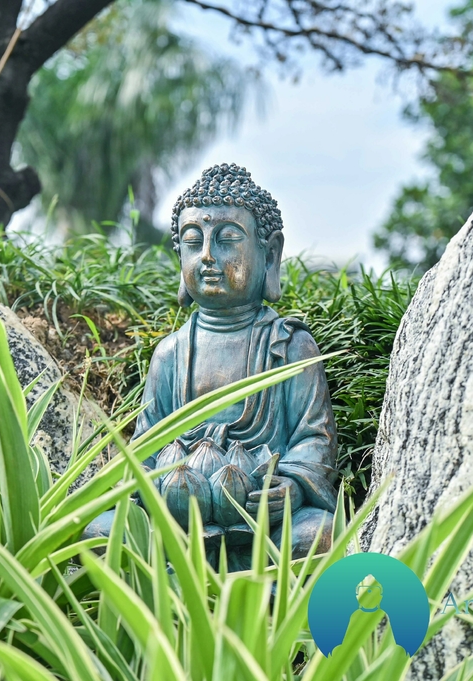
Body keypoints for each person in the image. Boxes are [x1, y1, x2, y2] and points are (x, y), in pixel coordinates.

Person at [86, 163, 338, 567]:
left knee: (320, 533)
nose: (206, 256)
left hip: (262, 516)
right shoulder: (171, 352)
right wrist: (146, 487)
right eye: (192, 241)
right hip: (181, 510)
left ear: (269, 253)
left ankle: (262, 604)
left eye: (226, 240)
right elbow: (147, 444)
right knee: (101, 531)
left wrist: (290, 484)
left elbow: (315, 436)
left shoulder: (290, 346)